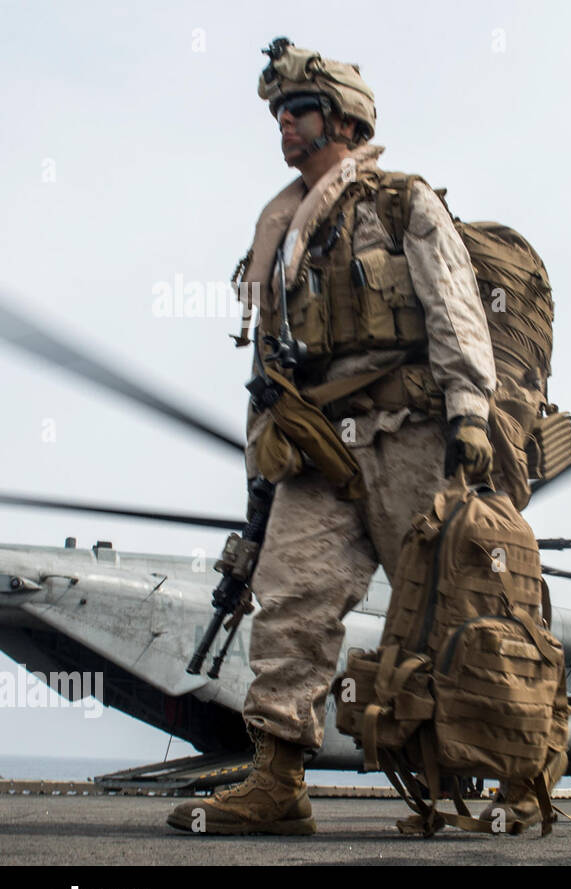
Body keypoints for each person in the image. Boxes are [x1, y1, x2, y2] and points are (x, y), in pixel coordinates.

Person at [168, 39, 498, 835]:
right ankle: (279, 777)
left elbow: (456, 309)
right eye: (279, 112)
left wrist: (470, 414)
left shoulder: (400, 201)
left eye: (298, 110)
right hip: (318, 444)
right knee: (289, 597)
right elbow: (267, 360)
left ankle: (473, 775)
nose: (284, 124)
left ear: (342, 120)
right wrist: (261, 459)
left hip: (410, 430)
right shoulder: (278, 232)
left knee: (441, 610)